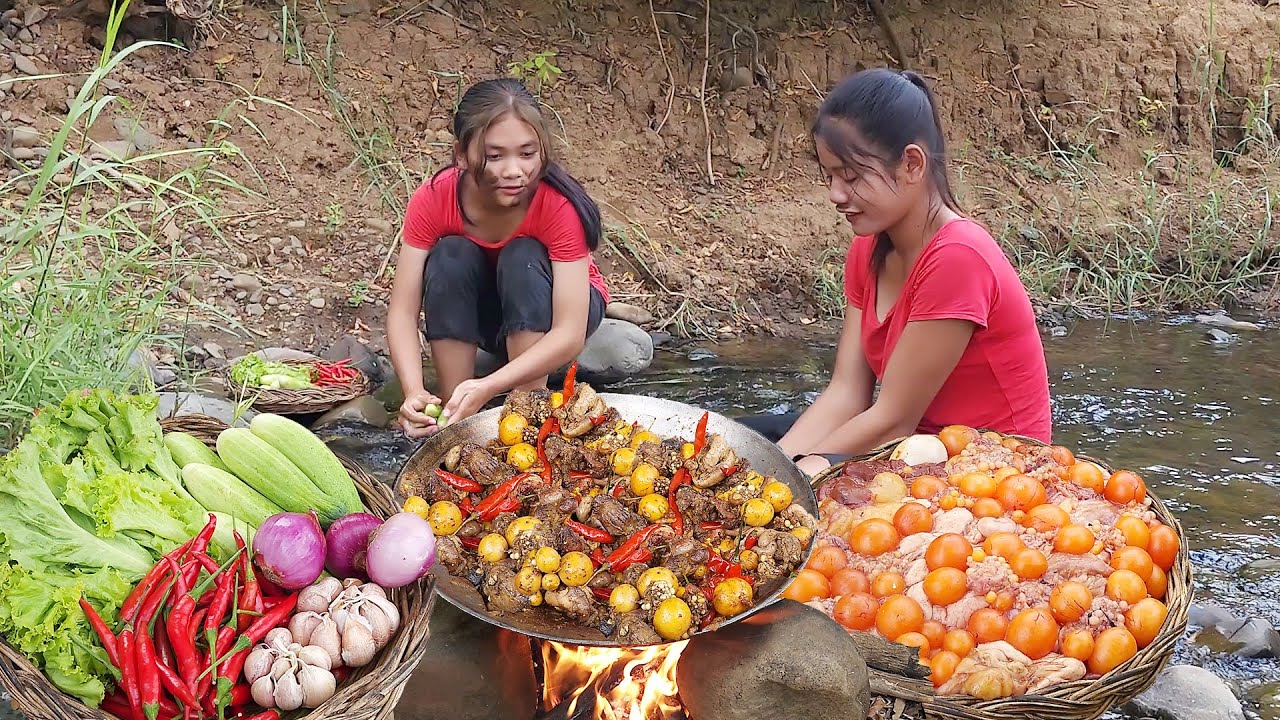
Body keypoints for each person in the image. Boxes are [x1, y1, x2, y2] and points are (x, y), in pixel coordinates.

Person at [741, 68, 1051, 475]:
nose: (835, 194)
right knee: (743, 441)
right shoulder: (867, 250)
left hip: (988, 473)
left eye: (851, 176)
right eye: (829, 175)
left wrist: (791, 478)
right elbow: (847, 393)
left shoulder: (958, 257)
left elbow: (892, 419)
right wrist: (774, 465)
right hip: (913, 447)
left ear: (911, 164)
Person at [387, 78, 610, 438]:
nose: (514, 171)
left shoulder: (558, 205)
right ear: (462, 154)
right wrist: (413, 391)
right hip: (490, 311)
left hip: (559, 308)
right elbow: (401, 310)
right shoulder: (435, 197)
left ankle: (525, 408)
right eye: (494, 156)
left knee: (521, 255)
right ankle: (452, 411)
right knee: (450, 254)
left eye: (527, 154)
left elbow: (569, 334)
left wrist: (490, 385)